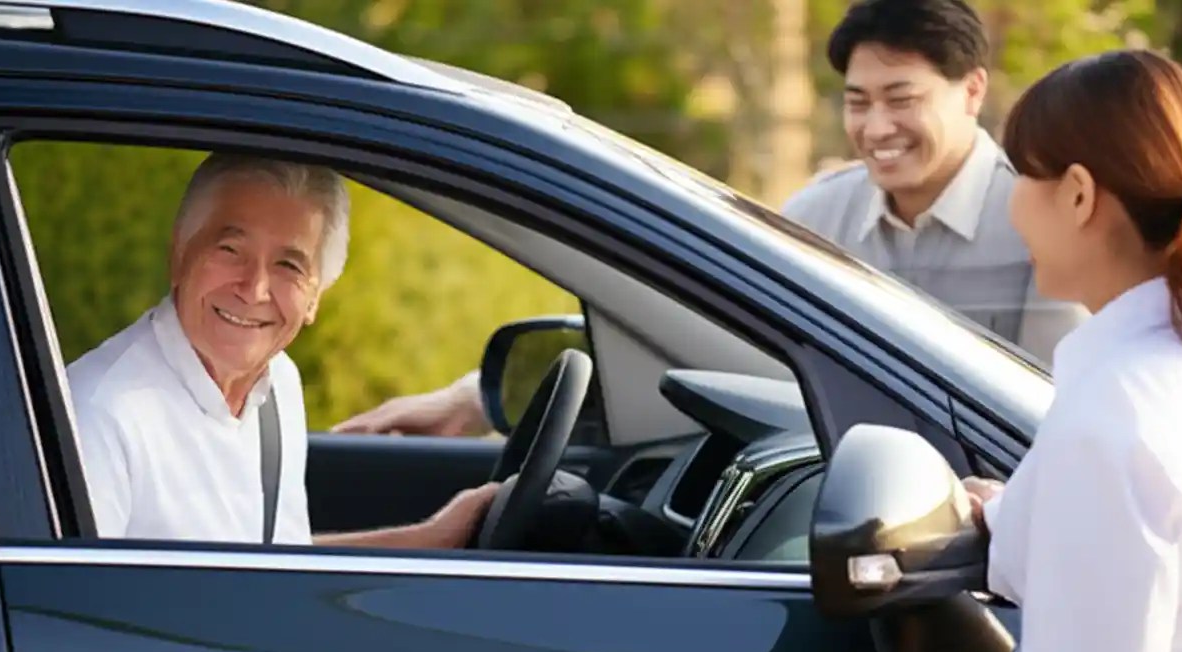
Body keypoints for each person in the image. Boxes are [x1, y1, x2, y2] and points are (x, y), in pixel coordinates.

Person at [330, 0, 1088, 439]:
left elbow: (1057, 424)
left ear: (973, 90)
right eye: (857, 102)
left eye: (901, 98)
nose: (876, 126)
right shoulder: (818, 215)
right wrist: (476, 400)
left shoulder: (1038, 215)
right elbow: (690, 332)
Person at [68, 153, 498, 547]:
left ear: (315, 298)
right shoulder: (101, 416)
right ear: (179, 253)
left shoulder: (279, 385)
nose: (254, 288)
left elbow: (279, 570)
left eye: (288, 266)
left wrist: (433, 539)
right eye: (231, 250)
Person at [964, 50, 1182, 652]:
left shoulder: (1114, 421)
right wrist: (1011, 509)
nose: (1010, 205)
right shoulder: (1174, 378)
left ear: (1077, 193)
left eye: (1019, 175)